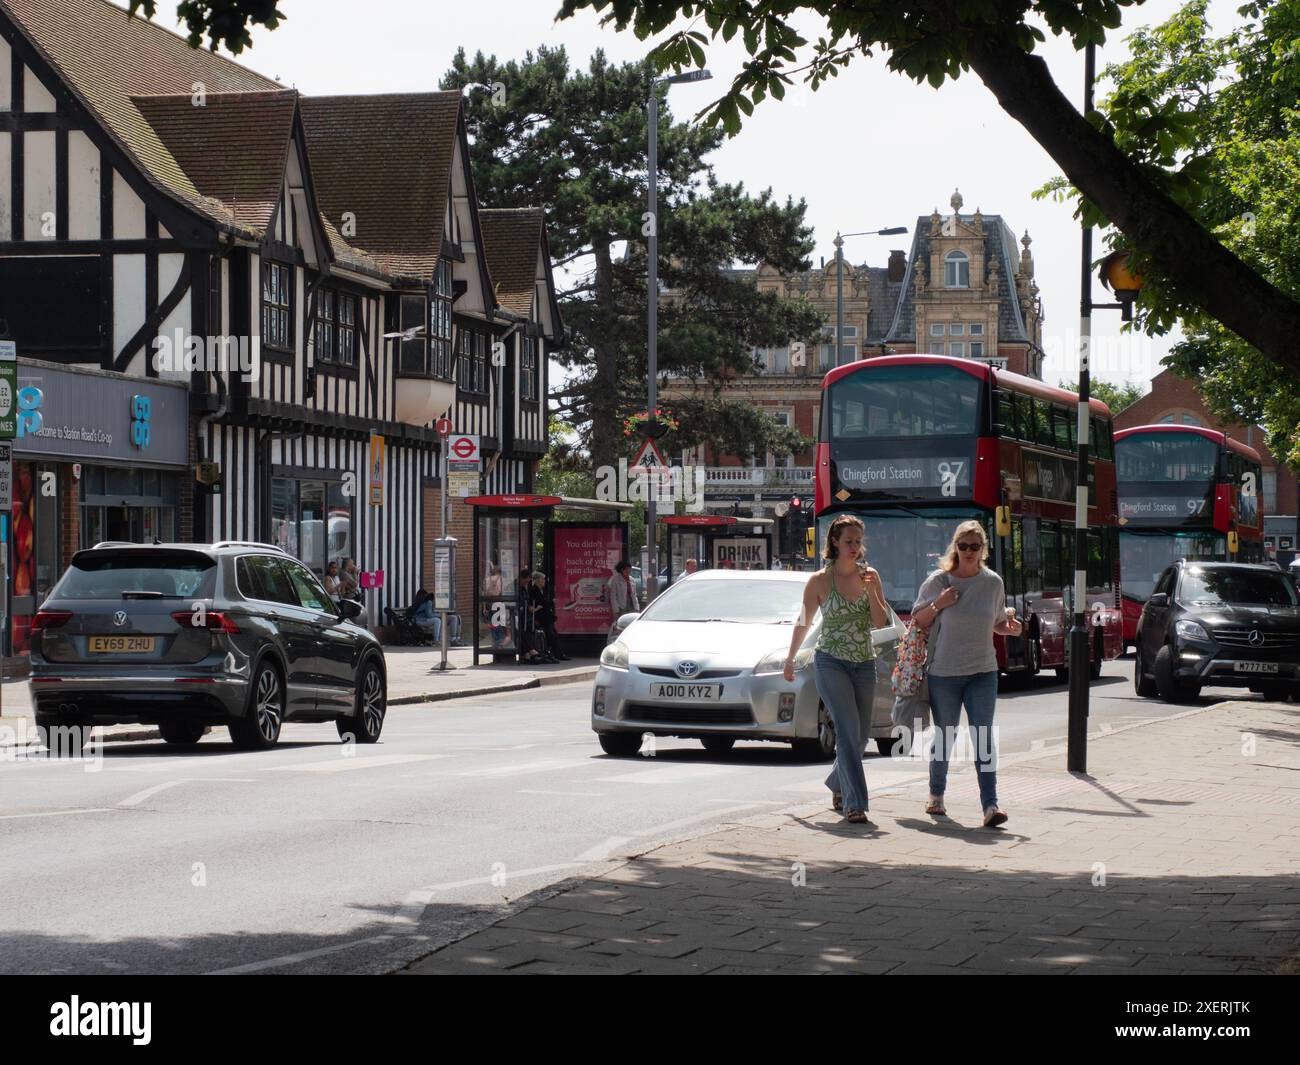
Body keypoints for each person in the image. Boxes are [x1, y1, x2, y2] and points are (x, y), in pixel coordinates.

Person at [911, 519, 1022, 829]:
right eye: (964, 546)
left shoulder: (993, 583)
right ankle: (936, 795)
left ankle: (990, 805)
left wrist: (1009, 629)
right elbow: (918, 620)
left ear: (983, 549)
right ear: (955, 548)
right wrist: (939, 603)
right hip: (944, 673)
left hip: (983, 671)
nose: (969, 552)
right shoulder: (939, 581)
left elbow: (997, 621)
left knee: (983, 737)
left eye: (975, 546)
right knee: (946, 736)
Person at [783, 514, 889, 824]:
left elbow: (880, 622)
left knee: (860, 735)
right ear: (835, 543)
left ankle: (836, 782)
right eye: (848, 542)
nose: (855, 547)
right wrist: (790, 659)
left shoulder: (871, 576)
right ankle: (854, 805)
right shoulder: (819, 581)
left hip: (863, 661)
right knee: (845, 729)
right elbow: (803, 621)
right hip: (830, 660)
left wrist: (871, 592)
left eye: (858, 542)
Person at [530, 573, 569, 661]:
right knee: (551, 635)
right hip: (542, 618)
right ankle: (556, 654)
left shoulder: (541, 590)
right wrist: (551, 602)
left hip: (546, 617)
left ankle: (558, 653)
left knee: (553, 635)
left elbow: (543, 603)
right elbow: (541, 603)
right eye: (543, 579)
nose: (544, 581)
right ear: (538, 580)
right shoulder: (534, 590)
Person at [605, 560, 639, 644]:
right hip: (621, 607)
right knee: (621, 626)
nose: (628, 572)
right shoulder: (616, 580)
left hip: (631, 606)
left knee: (631, 625)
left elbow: (634, 594)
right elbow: (613, 596)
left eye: (629, 570)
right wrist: (616, 610)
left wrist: (637, 607)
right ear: (622, 570)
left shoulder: (632, 580)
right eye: (626, 570)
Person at [516, 568, 541, 662]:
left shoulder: (523, 589)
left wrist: (530, 607)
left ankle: (526, 652)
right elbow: (521, 602)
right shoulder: (517, 588)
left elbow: (526, 601)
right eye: (525, 581)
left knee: (529, 630)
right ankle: (530, 650)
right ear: (521, 578)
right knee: (523, 632)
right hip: (519, 614)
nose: (526, 583)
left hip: (526, 615)